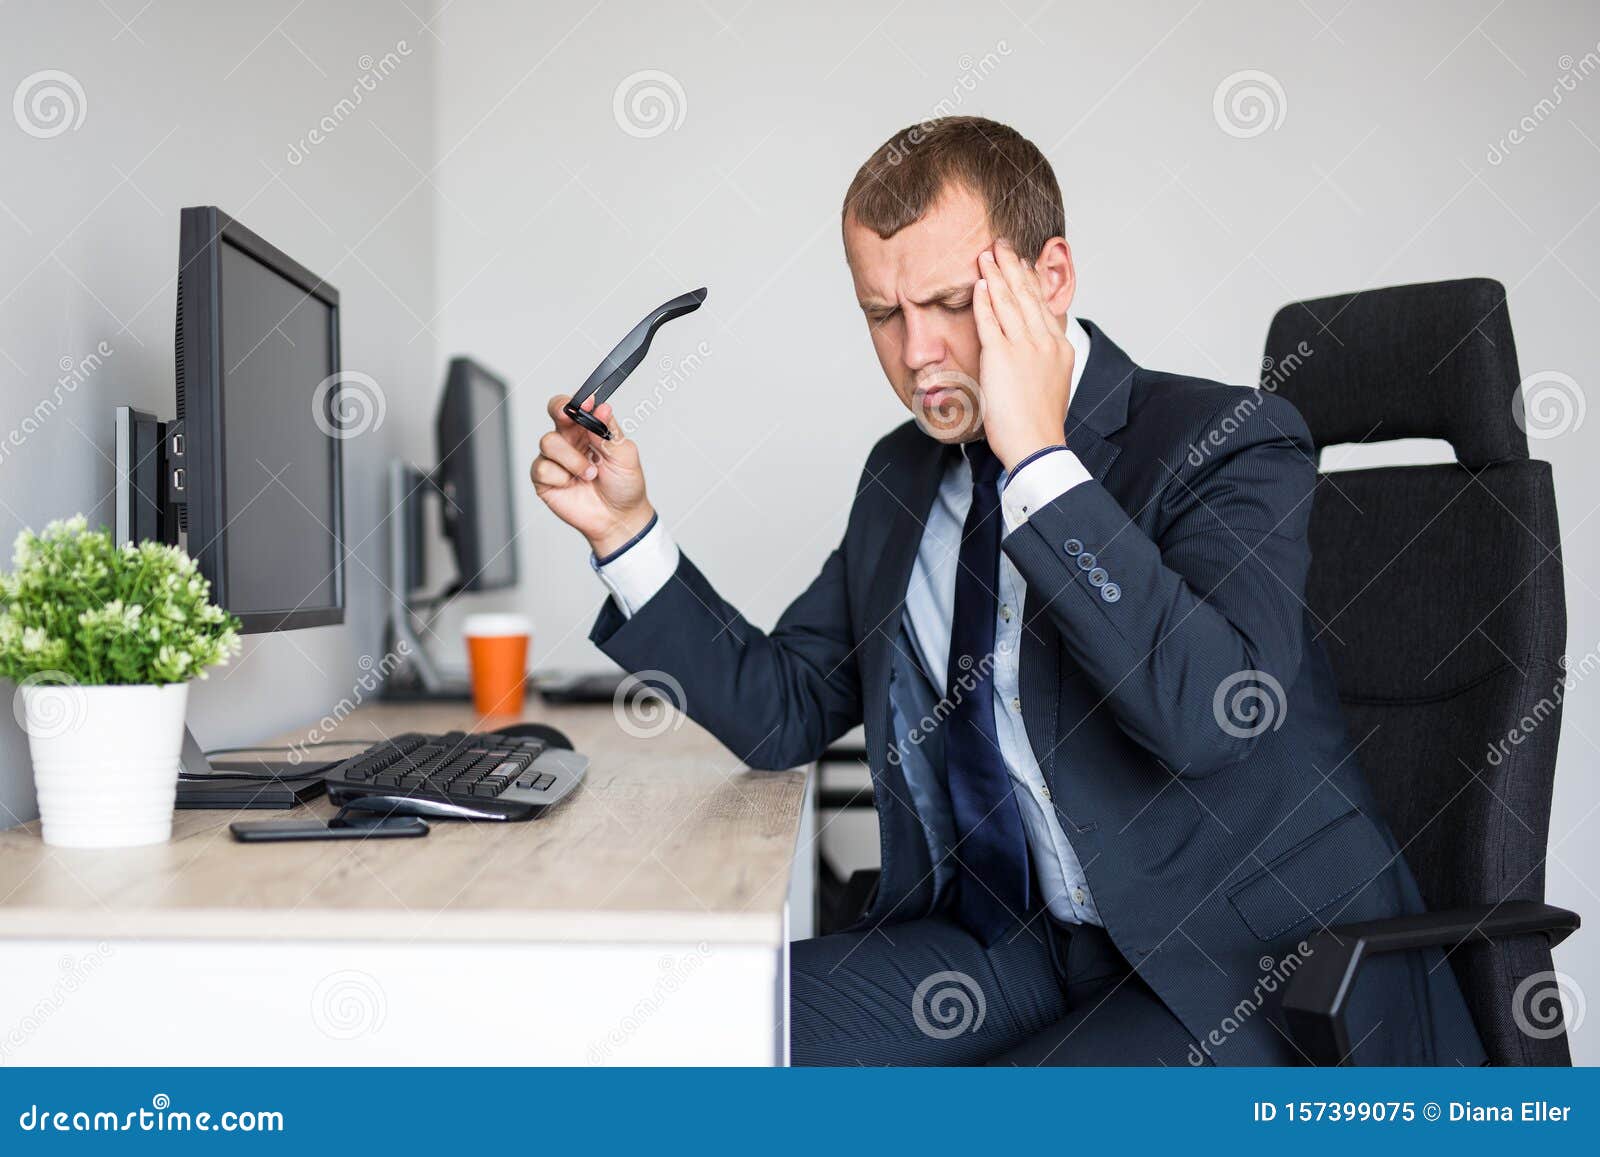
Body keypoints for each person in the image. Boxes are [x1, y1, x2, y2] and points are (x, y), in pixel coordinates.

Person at [530, 116, 1485, 1067]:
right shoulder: (903, 477)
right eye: (882, 313)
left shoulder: (1227, 437)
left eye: (949, 301)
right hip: (1013, 944)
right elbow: (786, 712)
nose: (916, 353)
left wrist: (1037, 459)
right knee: (690, 1028)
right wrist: (626, 533)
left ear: (1051, 280)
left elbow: (1211, 719)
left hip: (1245, 968)